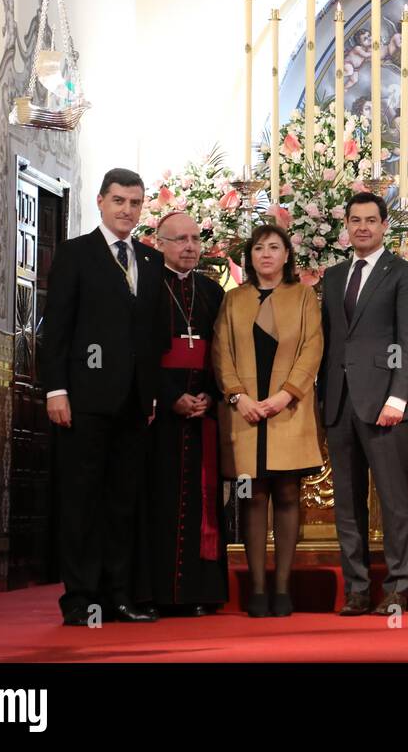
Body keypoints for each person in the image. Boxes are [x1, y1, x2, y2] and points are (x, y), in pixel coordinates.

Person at [39, 167, 166, 626]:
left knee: (122, 503)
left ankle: (118, 597)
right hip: (83, 400)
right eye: (119, 201)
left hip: (133, 404)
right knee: (82, 503)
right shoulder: (75, 254)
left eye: (135, 203)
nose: (127, 210)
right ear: (100, 201)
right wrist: (56, 389)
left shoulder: (150, 262)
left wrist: (149, 396)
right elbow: (56, 329)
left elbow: (151, 336)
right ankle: (81, 599)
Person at [318, 191, 408, 616]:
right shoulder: (333, 275)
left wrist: (399, 395)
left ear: (384, 226)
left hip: (385, 404)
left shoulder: (404, 274)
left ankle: (398, 587)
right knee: (347, 501)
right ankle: (357, 589)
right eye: (355, 220)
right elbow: (328, 341)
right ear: (346, 226)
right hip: (340, 403)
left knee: (395, 501)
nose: (362, 227)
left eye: (370, 220)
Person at [213, 224, 324, 618]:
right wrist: (239, 397)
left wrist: (284, 395)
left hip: (288, 410)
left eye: (274, 247)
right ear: (250, 256)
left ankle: (283, 587)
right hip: (244, 413)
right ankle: (257, 588)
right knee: (252, 497)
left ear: (287, 255)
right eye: (259, 248)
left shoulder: (304, 296)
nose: (266, 255)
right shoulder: (234, 300)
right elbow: (221, 352)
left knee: (289, 495)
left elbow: (313, 349)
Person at [147, 211, 228, 616]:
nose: (190, 247)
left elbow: (225, 354)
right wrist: (170, 396)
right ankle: (157, 594)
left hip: (203, 413)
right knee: (158, 500)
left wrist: (211, 396)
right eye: (180, 239)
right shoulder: (145, 287)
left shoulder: (213, 293)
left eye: (196, 239)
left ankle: (200, 592)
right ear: (158, 242)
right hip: (158, 415)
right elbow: (139, 353)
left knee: (201, 501)